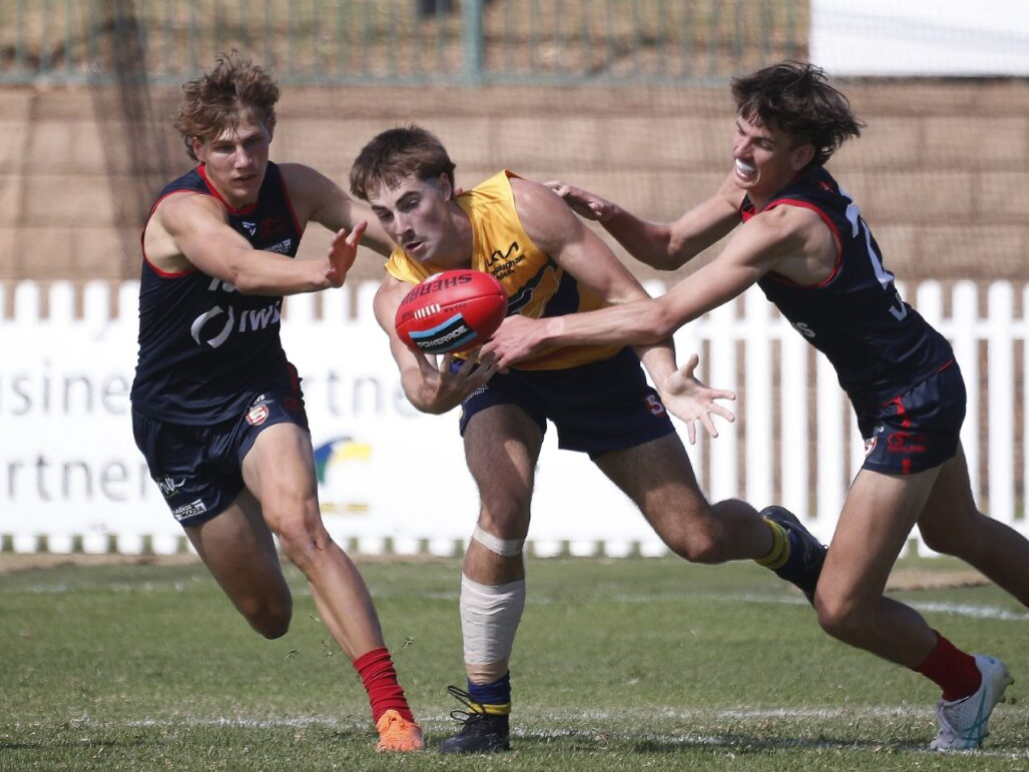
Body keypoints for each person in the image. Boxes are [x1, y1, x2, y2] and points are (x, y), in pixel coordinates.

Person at [481, 61, 1029, 751]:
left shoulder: (786, 222)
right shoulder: (759, 187)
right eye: (739, 132)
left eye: (759, 143)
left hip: (912, 399)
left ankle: (967, 681)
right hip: (917, 378)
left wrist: (543, 328)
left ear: (802, 155)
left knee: (840, 605)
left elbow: (660, 315)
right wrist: (605, 211)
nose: (740, 152)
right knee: (957, 531)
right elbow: (668, 247)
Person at [348, 125, 828, 754]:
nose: (400, 227)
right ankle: (486, 715)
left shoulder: (520, 207)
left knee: (699, 537)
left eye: (410, 203)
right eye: (384, 215)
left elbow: (631, 297)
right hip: (501, 381)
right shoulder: (400, 292)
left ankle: (780, 540)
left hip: (594, 364)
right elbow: (419, 388)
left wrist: (666, 378)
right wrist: (449, 389)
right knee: (503, 505)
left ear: (447, 186)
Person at [128, 52, 424, 753]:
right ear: (198, 149)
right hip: (175, 423)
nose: (242, 158)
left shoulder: (295, 189)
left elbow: (392, 235)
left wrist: (461, 257)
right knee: (270, 615)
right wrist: (319, 273)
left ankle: (393, 714)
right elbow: (236, 266)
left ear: (271, 134)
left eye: (254, 140)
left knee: (300, 528)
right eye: (225, 146)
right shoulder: (182, 211)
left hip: (258, 395)